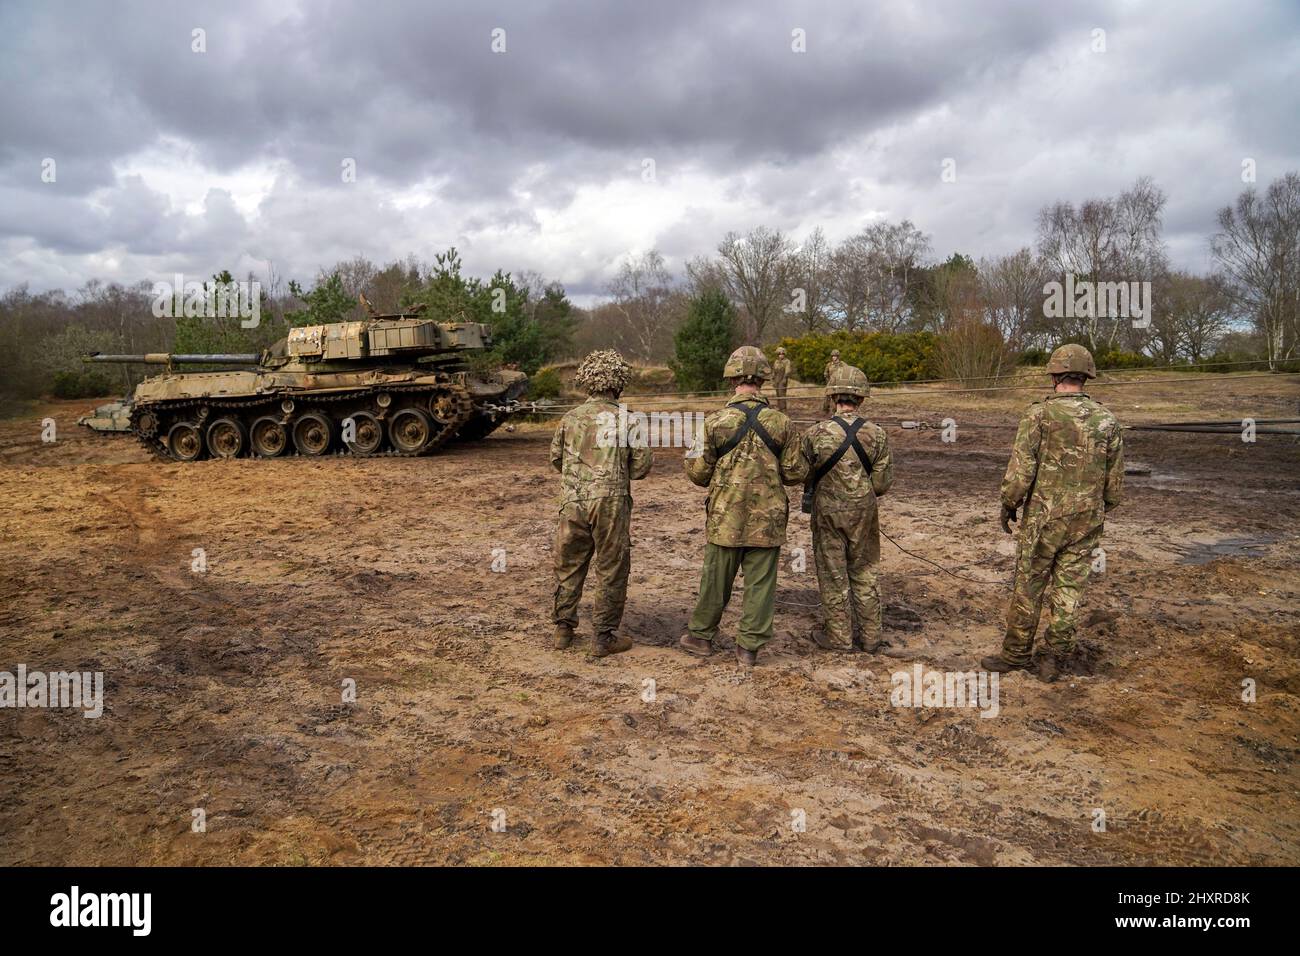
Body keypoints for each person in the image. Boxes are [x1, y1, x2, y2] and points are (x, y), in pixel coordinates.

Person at [980, 344, 1124, 682]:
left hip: (1044, 519)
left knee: (1029, 584)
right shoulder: (1108, 420)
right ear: (1086, 376)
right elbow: (1114, 488)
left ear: (1054, 376)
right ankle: (1058, 656)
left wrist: (1008, 504)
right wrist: (1096, 507)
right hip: (1087, 519)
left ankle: (1016, 654)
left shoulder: (1038, 415)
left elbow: (1020, 473)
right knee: (1069, 589)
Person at [680, 346, 807, 666]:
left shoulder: (714, 422)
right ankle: (748, 648)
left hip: (725, 516)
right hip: (768, 518)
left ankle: (701, 637)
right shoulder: (783, 423)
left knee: (715, 578)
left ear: (732, 378)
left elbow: (698, 474)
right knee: (761, 583)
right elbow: (795, 473)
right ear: (764, 379)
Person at [550, 350, 653, 657]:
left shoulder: (570, 419)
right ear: (618, 382)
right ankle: (603, 637)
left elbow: (556, 459)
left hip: (572, 500)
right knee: (611, 566)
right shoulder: (627, 420)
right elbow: (642, 467)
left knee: (568, 563)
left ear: (587, 382)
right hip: (610, 501)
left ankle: (563, 630)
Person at [801, 365, 893, 652]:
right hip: (864, 512)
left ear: (832, 398)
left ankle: (838, 637)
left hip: (827, 513)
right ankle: (871, 637)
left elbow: (801, 474)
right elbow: (881, 484)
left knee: (833, 574)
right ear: (861, 399)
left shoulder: (815, 434)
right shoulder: (877, 435)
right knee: (865, 571)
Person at [771, 346, 792, 412]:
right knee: (777, 394)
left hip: (782, 378)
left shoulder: (787, 361)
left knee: (782, 394)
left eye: (782, 354)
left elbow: (787, 371)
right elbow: (774, 371)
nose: (781, 355)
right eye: (779, 354)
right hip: (776, 379)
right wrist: (773, 380)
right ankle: (779, 407)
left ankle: (783, 409)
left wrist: (784, 379)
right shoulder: (776, 361)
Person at [822, 349, 842, 415]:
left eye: (835, 356)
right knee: (827, 397)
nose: (833, 357)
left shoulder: (842, 364)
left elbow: (846, 372)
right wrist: (828, 380)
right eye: (832, 356)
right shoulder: (829, 365)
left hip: (838, 384)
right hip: (830, 383)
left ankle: (835, 411)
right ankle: (825, 410)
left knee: (836, 398)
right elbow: (825, 373)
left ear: (838, 356)